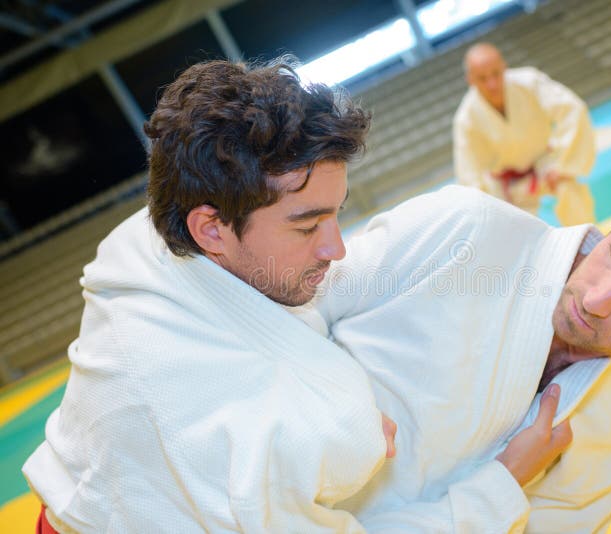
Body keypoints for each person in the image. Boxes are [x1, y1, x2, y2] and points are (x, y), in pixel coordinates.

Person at [21, 59, 568, 533]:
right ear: (211, 229)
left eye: (336, 215)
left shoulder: (143, 245)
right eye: (307, 227)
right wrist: (504, 483)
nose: (336, 248)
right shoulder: (232, 445)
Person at [296, 160, 611, 532]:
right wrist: (334, 398)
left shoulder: (606, 441)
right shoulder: (465, 230)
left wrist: (501, 485)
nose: (597, 300)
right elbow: (287, 308)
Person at [452, 42, 596, 225]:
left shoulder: (529, 82)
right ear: (470, 79)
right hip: (503, 184)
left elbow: (572, 109)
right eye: (482, 78)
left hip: (545, 164)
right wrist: (484, 209)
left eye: (496, 73)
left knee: (569, 189)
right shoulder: (466, 118)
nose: (492, 84)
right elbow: (469, 173)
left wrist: (564, 165)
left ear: (504, 67)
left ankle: (588, 240)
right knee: (499, 225)